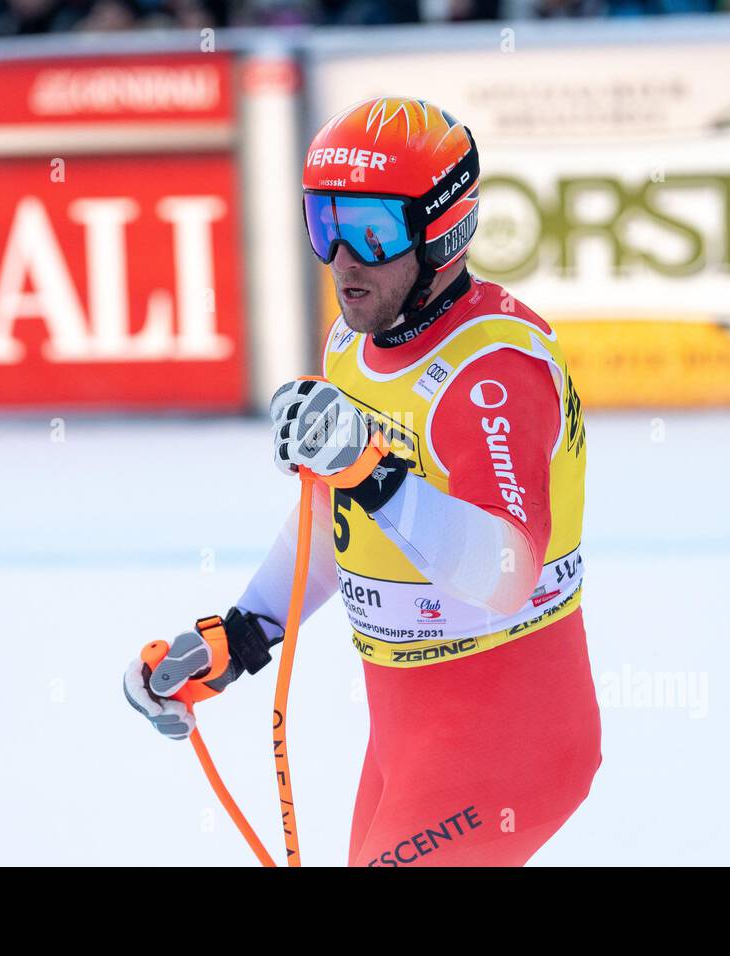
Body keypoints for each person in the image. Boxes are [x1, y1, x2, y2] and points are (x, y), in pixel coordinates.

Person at [125, 96, 601, 867]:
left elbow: (509, 573)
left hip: (507, 742)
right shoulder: (351, 346)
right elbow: (332, 518)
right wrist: (243, 636)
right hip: (410, 741)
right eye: (325, 224)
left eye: (373, 230)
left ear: (443, 233)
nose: (344, 258)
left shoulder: (490, 378)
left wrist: (373, 474)